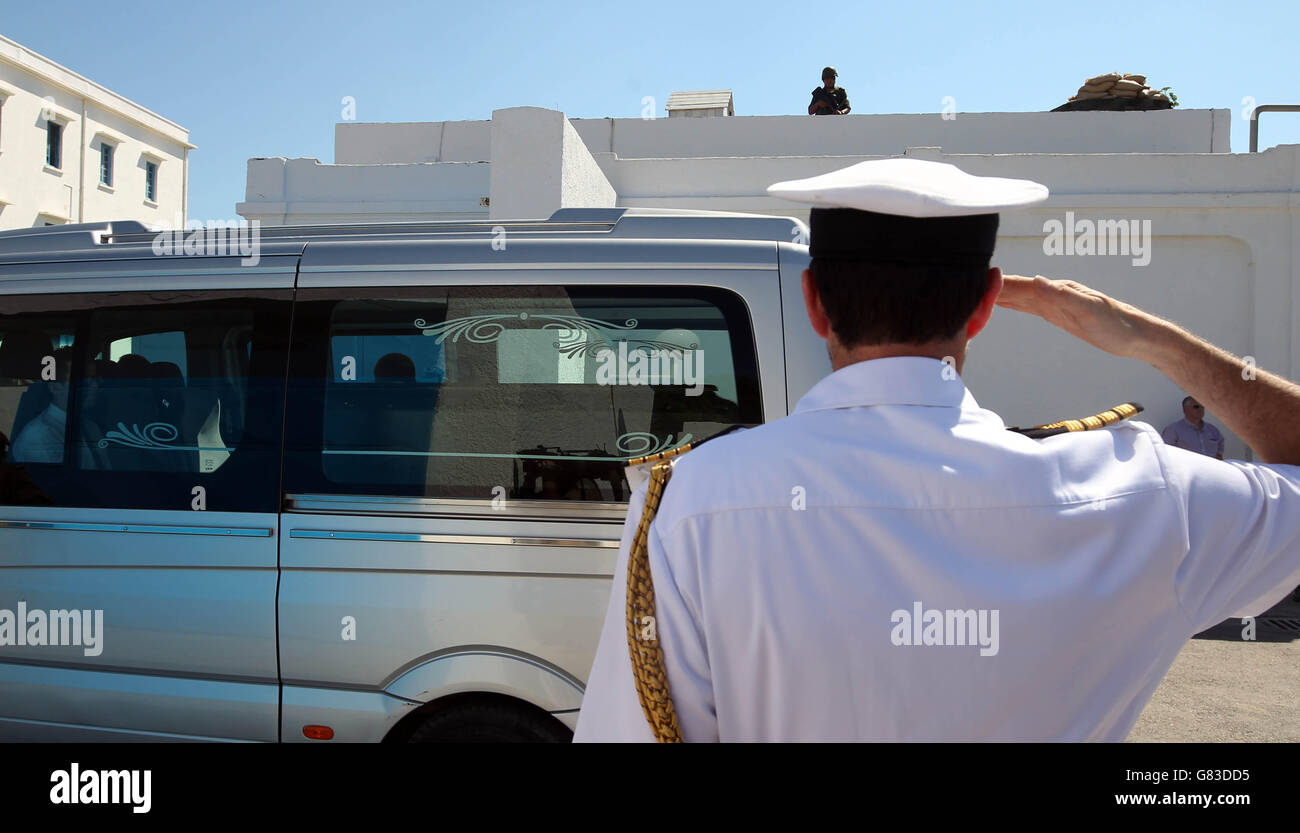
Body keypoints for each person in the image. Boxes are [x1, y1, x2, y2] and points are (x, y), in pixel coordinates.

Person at [573, 157, 1300, 742]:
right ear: (985, 304)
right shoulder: (1146, 495)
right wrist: (1146, 339)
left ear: (813, 301)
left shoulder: (690, 504)